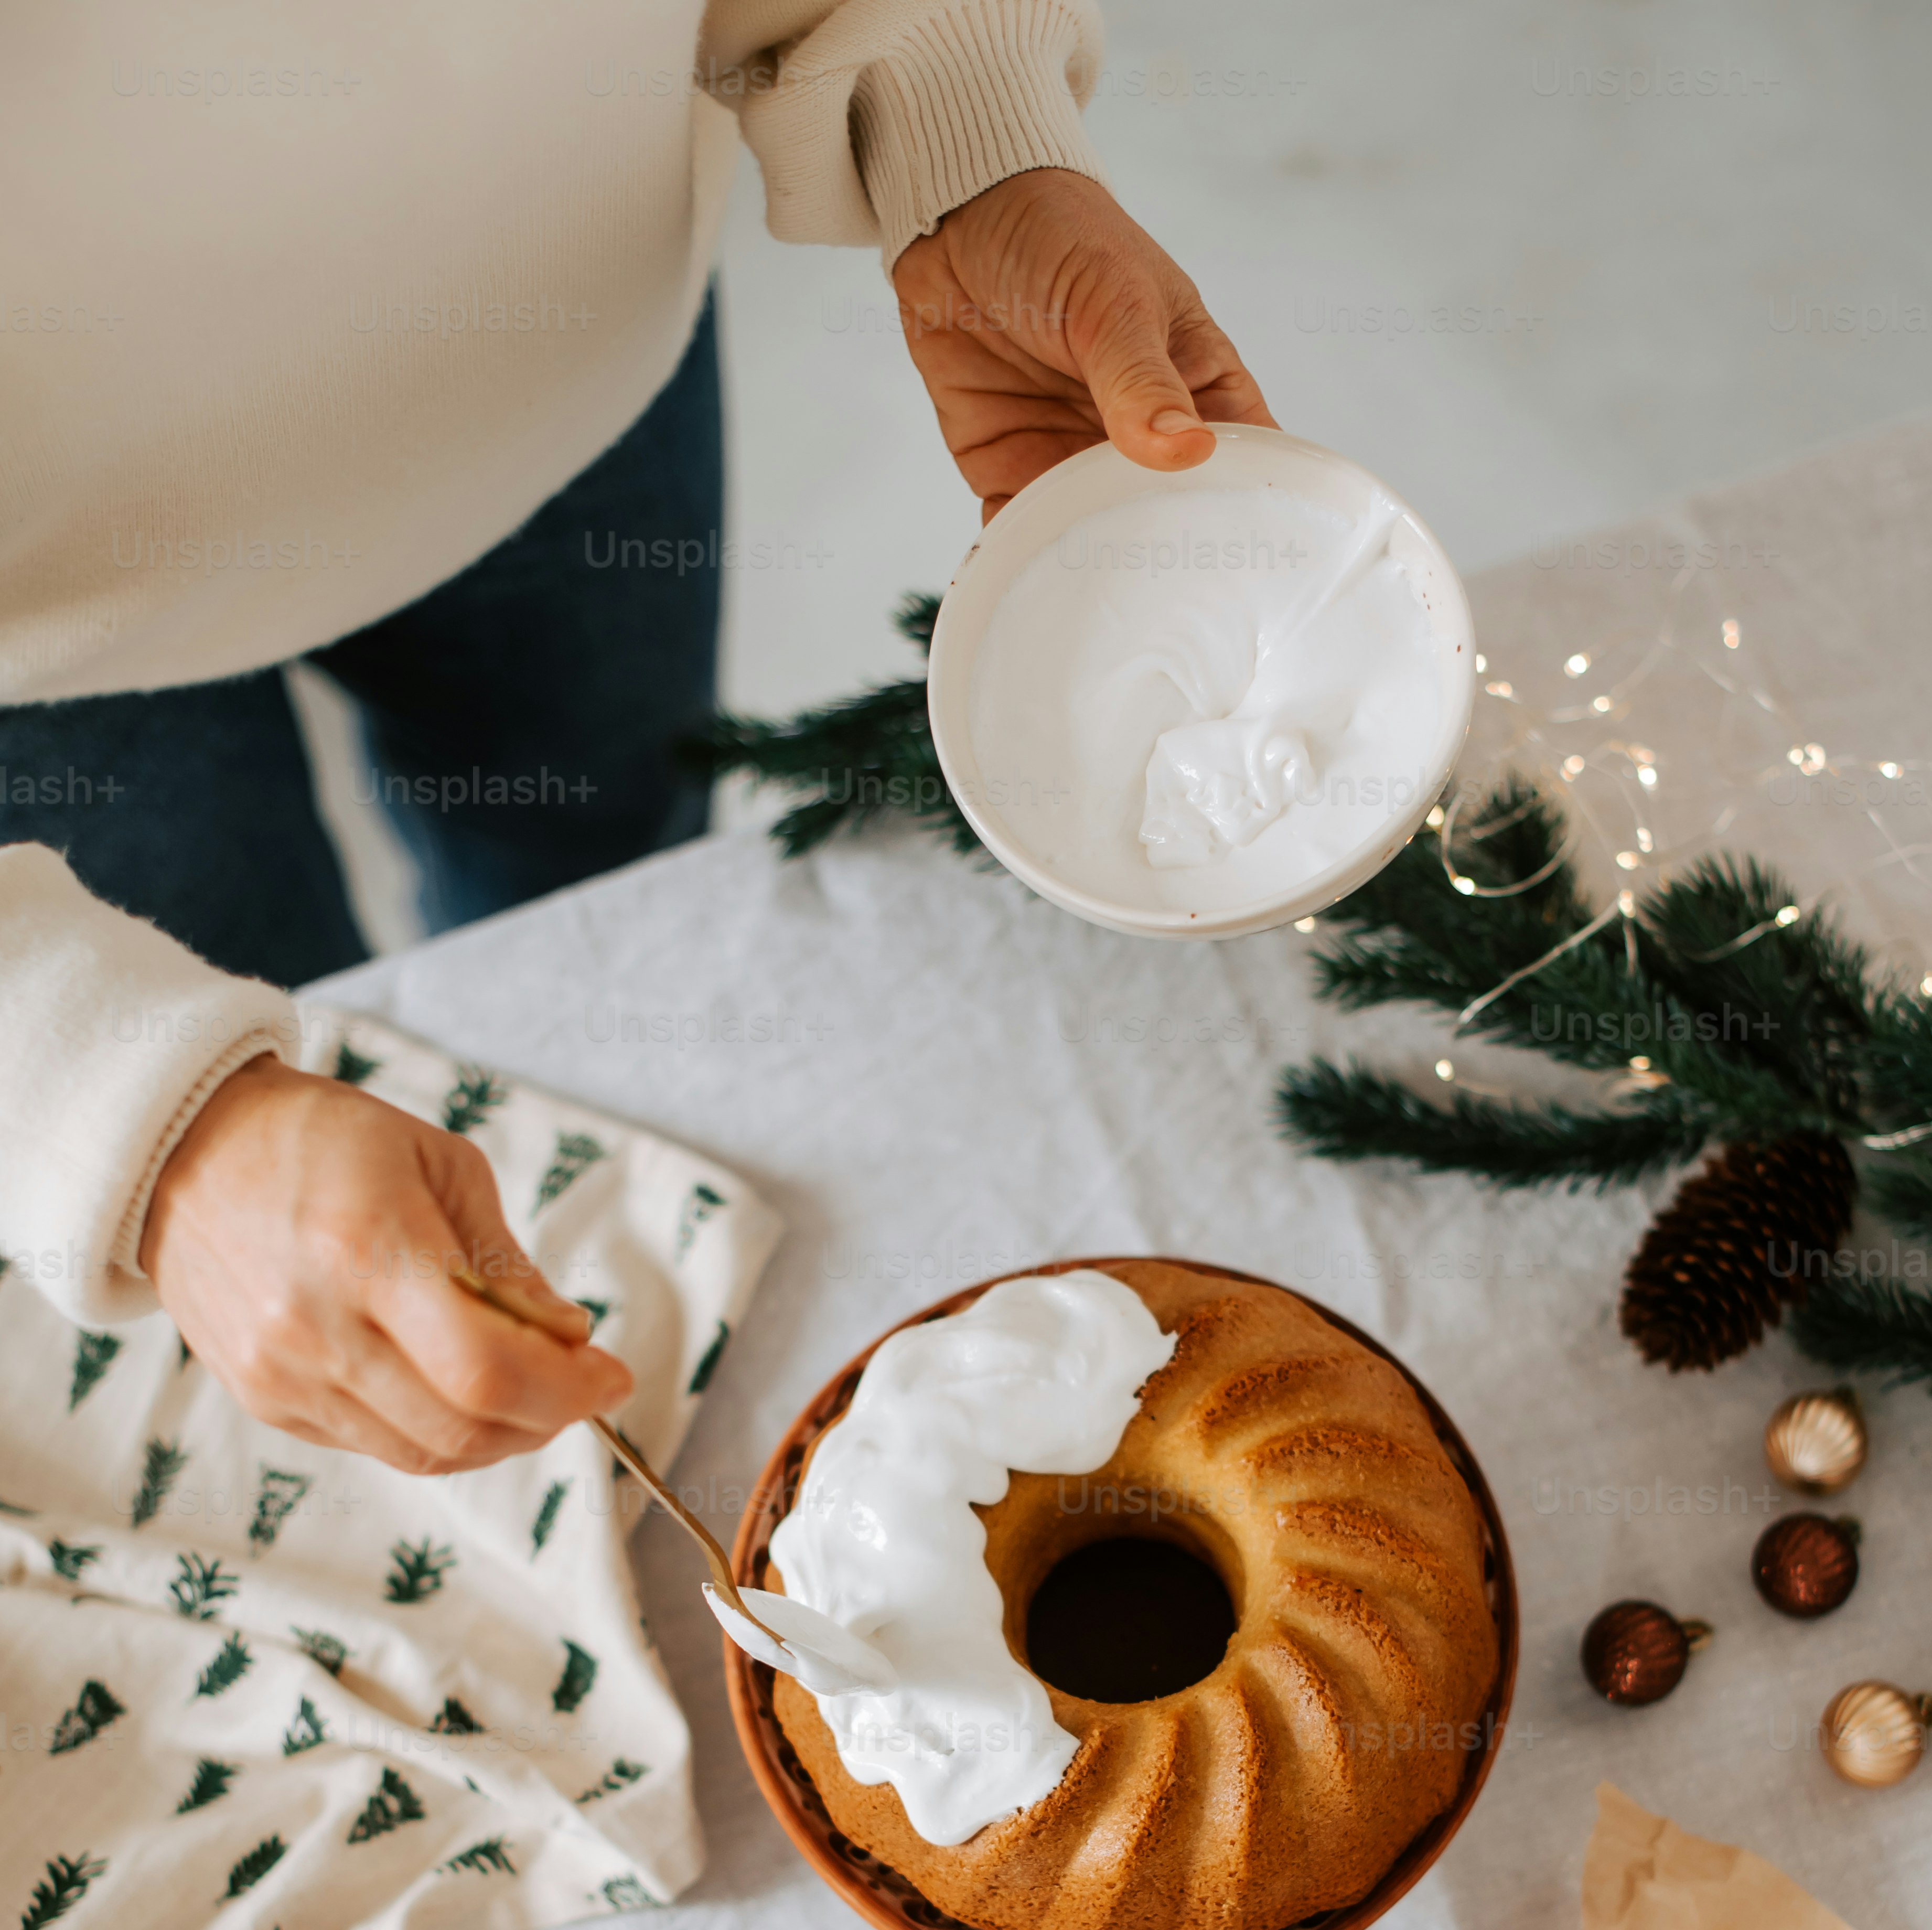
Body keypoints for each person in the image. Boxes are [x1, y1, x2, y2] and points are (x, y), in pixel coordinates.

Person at [0, 1, 1270, 1474]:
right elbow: (169, 1100)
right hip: (45, 634)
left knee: (610, 868)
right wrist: (125, 1117)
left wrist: (954, 118)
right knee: (285, 1019)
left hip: (564, 341)